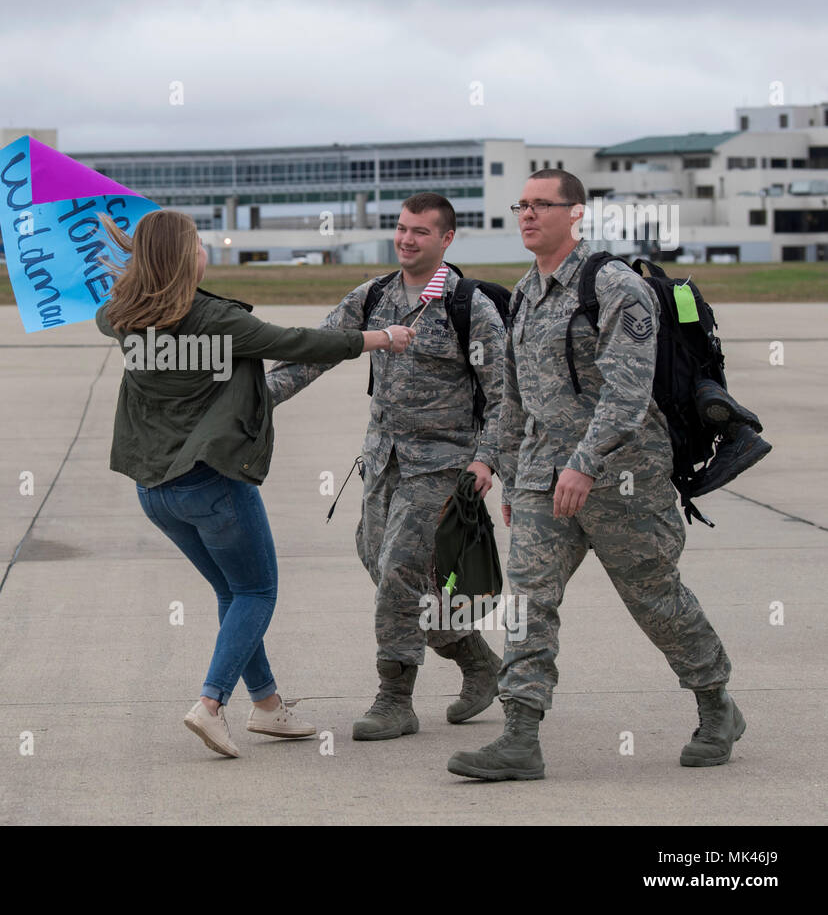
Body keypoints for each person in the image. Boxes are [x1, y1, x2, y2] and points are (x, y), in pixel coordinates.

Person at [447, 169, 743, 781]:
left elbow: (629, 393)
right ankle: (520, 737)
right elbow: (514, 398)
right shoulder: (526, 291)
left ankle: (716, 705)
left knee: (654, 599)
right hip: (541, 478)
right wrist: (504, 468)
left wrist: (584, 465)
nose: (527, 215)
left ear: (576, 213)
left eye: (541, 205)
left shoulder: (612, 286)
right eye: (520, 205)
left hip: (622, 478)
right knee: (528, 602)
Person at [94, 209, 410, 758]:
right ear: (181, 255)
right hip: (210, 483)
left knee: (232, 591)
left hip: (156, 491)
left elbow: (119, 306)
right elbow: (298, 342)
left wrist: (136, 273)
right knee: (258, 591)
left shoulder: (120, 316)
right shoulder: (217, 320)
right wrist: (380, 337)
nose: (204, 249)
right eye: (196, 242)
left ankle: (267, 707)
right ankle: (210, 704)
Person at [266, 193, 507, 741]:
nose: (406, 239)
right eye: (401, 228)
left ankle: (395, 697)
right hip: (382, 460)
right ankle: (476, 659)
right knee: (378, 560)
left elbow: (503, 396)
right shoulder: (372, 295)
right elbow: (318, 350)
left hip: (442, 466)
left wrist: (488, 459)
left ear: (446, 240)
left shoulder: (468, 307)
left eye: (421, 231)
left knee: (399, 568)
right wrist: (257, 398)